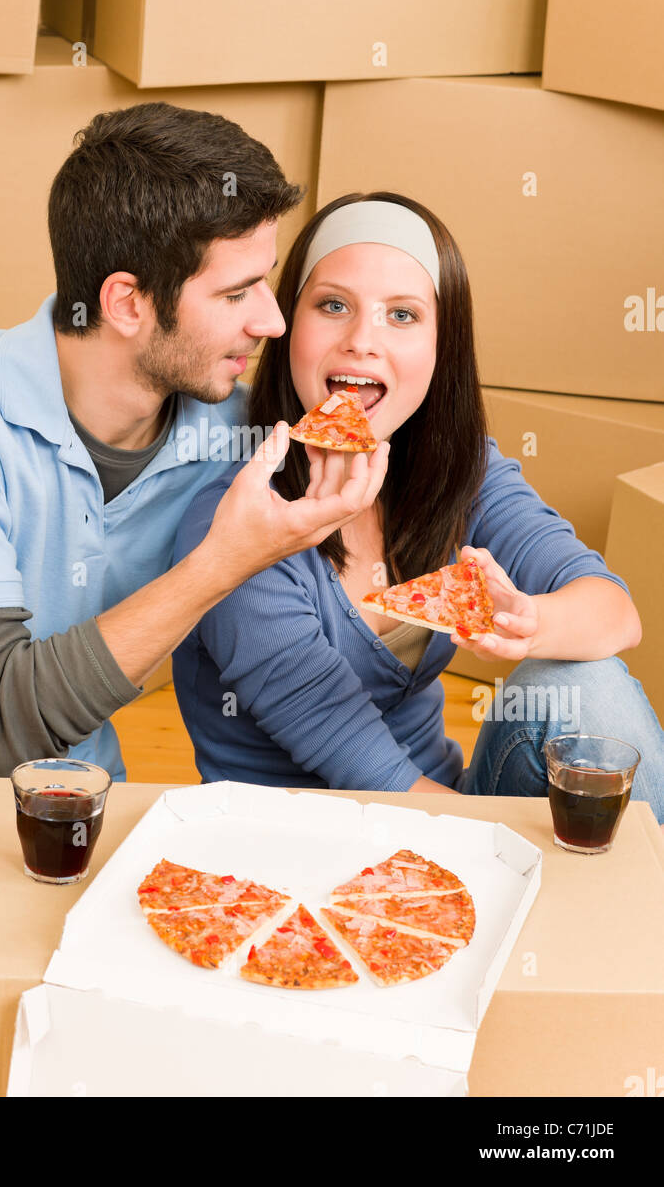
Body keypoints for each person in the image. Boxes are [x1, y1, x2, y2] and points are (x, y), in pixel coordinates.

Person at [0, 105, 384, 1096]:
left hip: (71, 818)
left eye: (272, 286)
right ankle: (86, 1042)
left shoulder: (234, 417)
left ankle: (22, 1048)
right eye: (239, 291)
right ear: (125, 301)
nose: (272, 322)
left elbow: (418, 419)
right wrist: (220, 562)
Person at [171, 191, 664, 823]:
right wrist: (518, 860)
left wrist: (525, 625)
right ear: (286, 324)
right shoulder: (236, 520)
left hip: (448, 809)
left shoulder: (461, 471)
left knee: (585, 684)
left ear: (441, 349)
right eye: (333, 305)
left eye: (401, 316)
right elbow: (361, 761)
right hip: (294, 848)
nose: (361, 342)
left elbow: (615, 612)